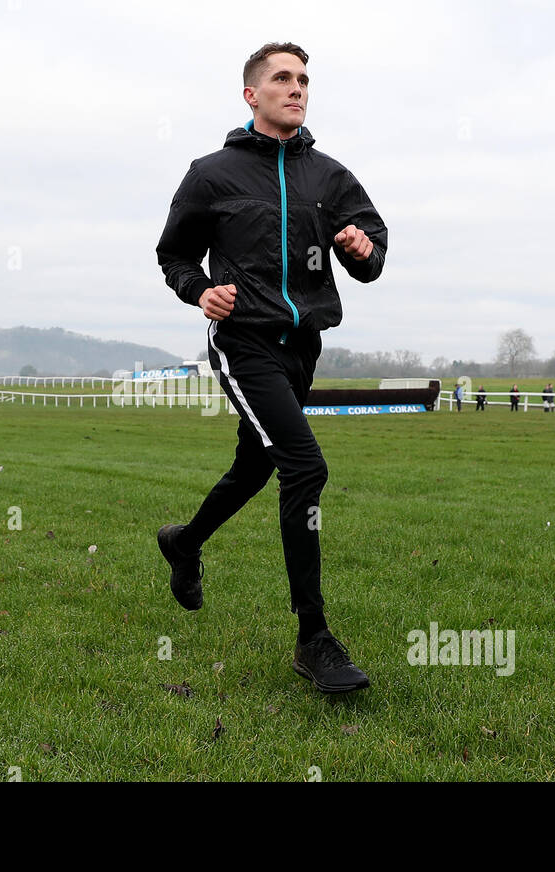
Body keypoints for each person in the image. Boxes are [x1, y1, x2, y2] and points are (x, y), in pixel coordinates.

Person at [155, 42, 387, 694]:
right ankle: (314, 638)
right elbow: (173, 254)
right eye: (282, 78)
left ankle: (185, 541)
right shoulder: (212, 174)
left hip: (301, 347)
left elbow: (373, 251)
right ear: (252, 94)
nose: (297, 88)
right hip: (243, 342)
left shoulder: (329, 177)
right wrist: (199, 290)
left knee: (255, 465)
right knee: (305, 465)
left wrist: (361, 247)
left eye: (304, 78)